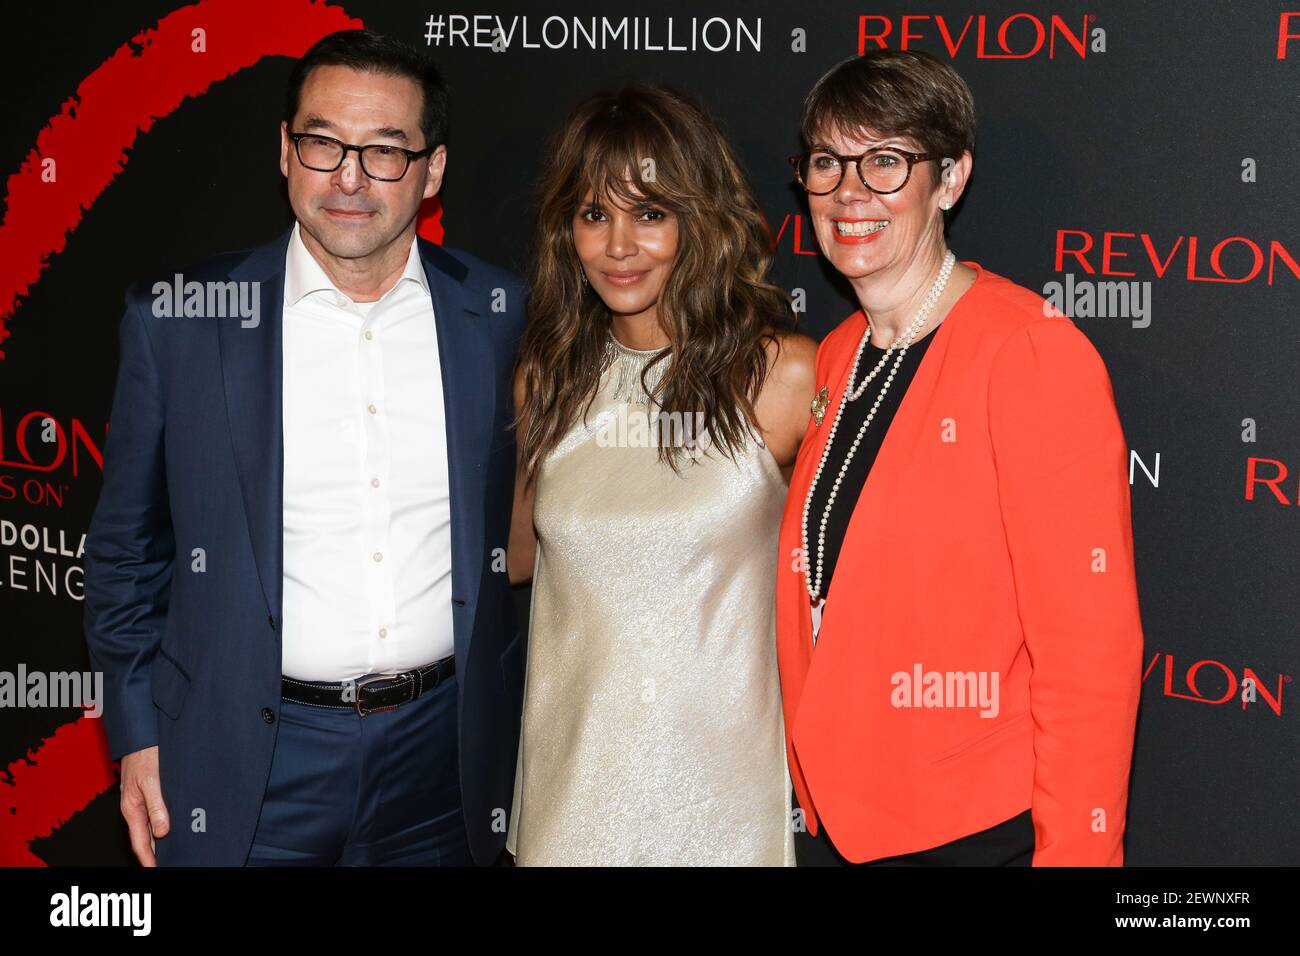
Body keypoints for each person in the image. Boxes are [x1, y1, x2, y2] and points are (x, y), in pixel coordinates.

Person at [83, 29, 526, 866]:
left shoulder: (502, 316)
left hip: (447, 761)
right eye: (324, 143)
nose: (350, 177)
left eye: (385, 151)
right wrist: (135, 732)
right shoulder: (180, 321)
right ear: (285, 152)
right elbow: (122, 553)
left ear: (432, 171)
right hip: (243, 760)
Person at [776, 50, 1144, 866]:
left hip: (971, 832)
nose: (850, 193)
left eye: (886, 162)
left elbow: (1090, 654)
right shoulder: (839, 355)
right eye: (828, 164)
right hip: (839, 819)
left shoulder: (1029, 352)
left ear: (950, 178)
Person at [504, 83, 817, 865]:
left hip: (724, 802)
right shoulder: (545, 383)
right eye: (593, 214)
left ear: (698, 220)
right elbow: (517, 559)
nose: (618, 246)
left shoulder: (782, 379)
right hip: (570, 798)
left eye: (649, 213)